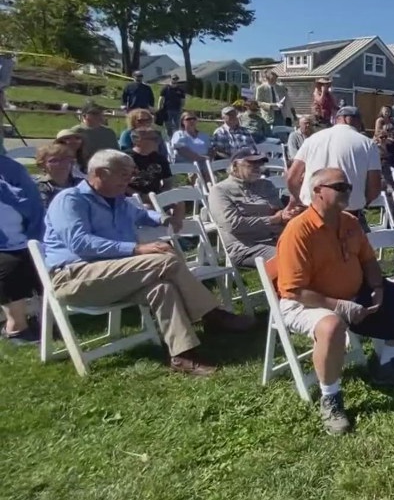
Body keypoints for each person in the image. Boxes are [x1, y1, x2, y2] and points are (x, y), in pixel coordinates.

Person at [43, 149, 253, 374]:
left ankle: (182, 355)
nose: (129, 179)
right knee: (164, 259)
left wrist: (166, 218)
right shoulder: (70, 200)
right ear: (101, 173)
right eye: (124, 174)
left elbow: (143, 215)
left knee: (162, 288)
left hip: (115, 276)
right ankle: (212, 315)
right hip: (75, 277)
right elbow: (80, 243)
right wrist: (136, 248)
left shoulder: (118, 200)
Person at [268, 167, 394, 435]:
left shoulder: (348, 221)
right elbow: (293, 290)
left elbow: (368, 260)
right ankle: (331, 398)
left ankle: (386, 365)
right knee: (332, 327)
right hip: (304, 302)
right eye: (340, 187)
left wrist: (376, 286)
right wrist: (339, 306)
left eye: (348, 186)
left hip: (349, 292)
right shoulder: (298, 231)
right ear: (317, 192)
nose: (348, 191)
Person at [286, 106, 384, 231]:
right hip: (348, 214)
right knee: (357, 250)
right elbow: (374, 187)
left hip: (312, 210)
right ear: (349, 120)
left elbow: (292, 177)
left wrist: (300, 199)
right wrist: (362, 202)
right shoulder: (368, 144)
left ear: (337, 119)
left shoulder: (312, 140)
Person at [209, 147, 300, 267]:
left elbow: (278, 212)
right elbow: (233, 225)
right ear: (235, 165)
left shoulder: (266, 185)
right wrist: (273, 219)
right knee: (290, 257)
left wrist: (288, 214)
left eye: (260, 163)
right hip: (246, 246)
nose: (257, 167)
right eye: (251, 163)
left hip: (277, 238)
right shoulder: (220, 190)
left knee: (317, 247)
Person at [0, 154, 46, 344]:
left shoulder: (11, 168)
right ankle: (16, 327)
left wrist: (33, 237)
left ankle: (47, 319)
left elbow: (33, 205)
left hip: (21, 239)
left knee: (40, 263)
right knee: (10, 266)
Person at [73, 104, 119, 173]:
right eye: (94, 113)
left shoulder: (109, 132)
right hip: (84, 169)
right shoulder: (76, 132)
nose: (99, 116)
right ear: (84, 116)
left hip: (109, 168)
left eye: (101, 113)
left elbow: (116, 152)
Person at [34, 143, 82, 209]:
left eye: (65, 159)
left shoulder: (82, 184)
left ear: (72, 162)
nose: (60, 164)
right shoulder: (39, 187)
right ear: (42, 165)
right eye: (53, 161)